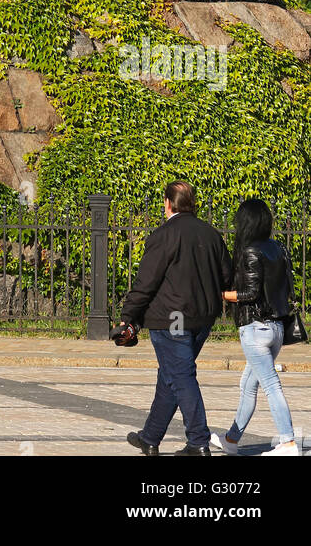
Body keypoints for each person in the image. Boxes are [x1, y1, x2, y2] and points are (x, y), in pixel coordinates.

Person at [121, 180, 232, 457]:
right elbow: (226, 278)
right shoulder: (211, 235)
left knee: (181, 376)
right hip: (202, 318)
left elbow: (146, 281)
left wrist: (127, 316)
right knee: (170, 375)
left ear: (168, 203)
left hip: (172, 318)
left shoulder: (165, 234)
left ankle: (198, 440)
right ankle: (150, 437)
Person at [213, 199, 300, 457]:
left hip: (255, 328)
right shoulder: (278, 248)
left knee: (271, 385)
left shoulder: (250, 250)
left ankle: (288, 443)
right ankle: (231, 439)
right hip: (276, 330)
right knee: (248, 384)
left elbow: (249, 293)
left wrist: (223, 295)